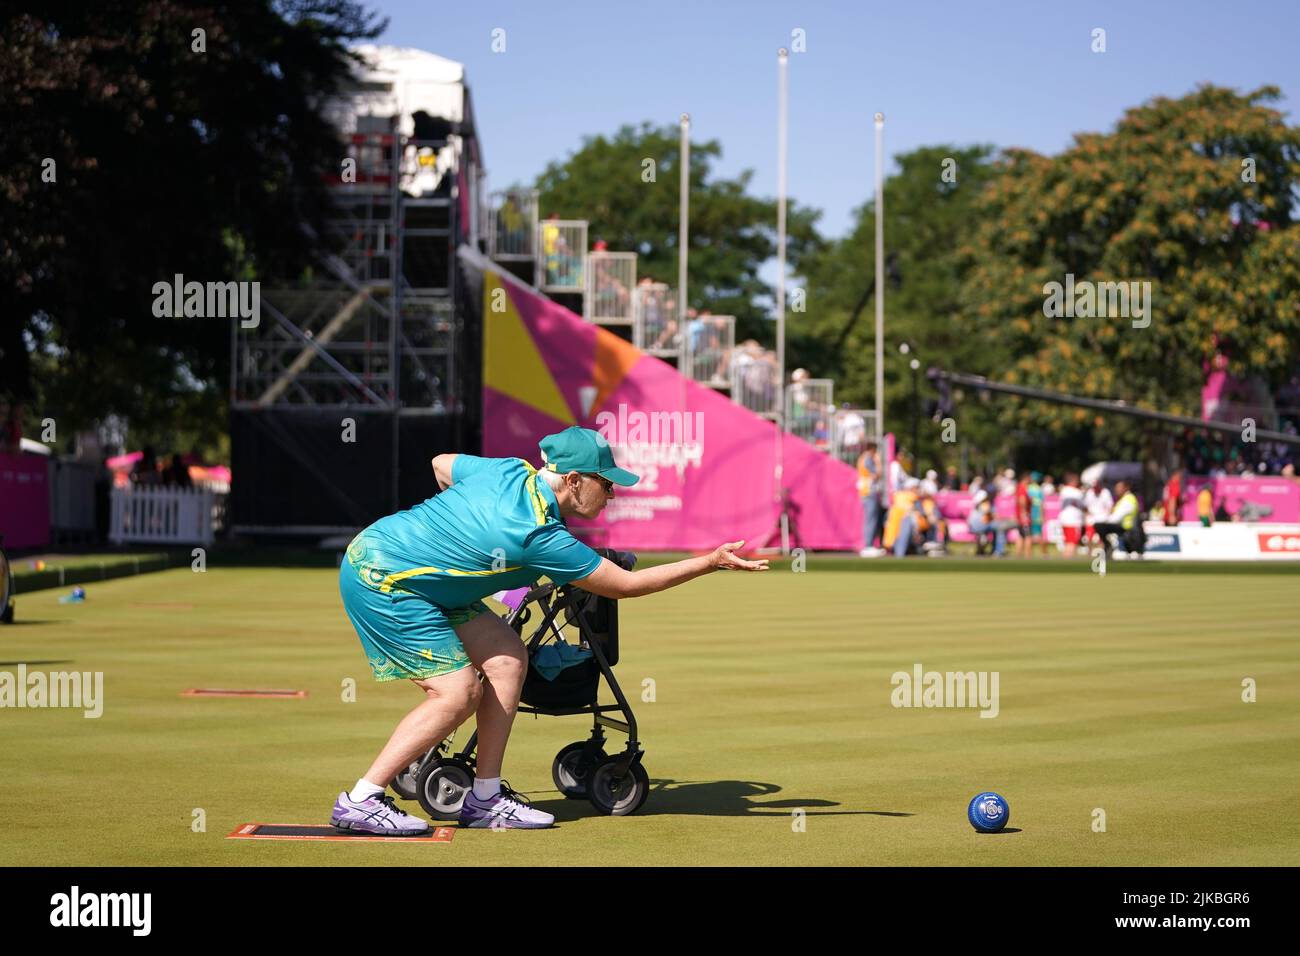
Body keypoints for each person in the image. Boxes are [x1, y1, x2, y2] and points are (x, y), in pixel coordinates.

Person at [332, 426, 767, 833]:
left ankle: (484, 799)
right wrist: (709, 562)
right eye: (607, 483)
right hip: (383, 578)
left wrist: (459, 529)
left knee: (507, 659)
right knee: (457, 692)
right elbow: (627, 585)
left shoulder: (509, 470)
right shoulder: (539, 536)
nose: (612, 494)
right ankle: (362, 799)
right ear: (574, 480)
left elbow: (441, 463)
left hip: (412, 570)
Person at [1093, 480, 1143, 560]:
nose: (1116, 490)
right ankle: (1108, 546)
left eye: (1119, 487)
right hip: (1124, 526)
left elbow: (1115, 518)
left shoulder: (1128, 500)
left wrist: (1104, 520)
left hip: (1126, 527)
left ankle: (1108, 545)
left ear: (1126, 488)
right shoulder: (1124, 499)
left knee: (1099, 526)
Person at [857, 441, 884, 557]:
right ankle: (868, 546)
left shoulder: (862, 458)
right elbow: (877, 474)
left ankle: (869, 545)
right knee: (871, 519)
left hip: (866, 491)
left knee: (870, 519)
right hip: (869, 492)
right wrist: (878, 462)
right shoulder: (868, 459)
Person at [1057, 472, 1085, 557]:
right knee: (1072, 542)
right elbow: (1084, 505)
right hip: (1073, 520)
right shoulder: (1077, 492)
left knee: (1068, 542)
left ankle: (1066, 560)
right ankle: (1067, 561)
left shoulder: (1064, 490)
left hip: (1065, 519)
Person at [1083, 478, 1114, 550]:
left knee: (1102, 537)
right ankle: (1089, 553)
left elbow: (1110, 506)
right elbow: (1085, 506)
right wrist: (1088, 514)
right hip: (1091, 518)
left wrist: (1107, 516)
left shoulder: (1105, 492)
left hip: (1102, 518)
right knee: (1089, 537)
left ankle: (1102, 552)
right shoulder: (1090, 492)